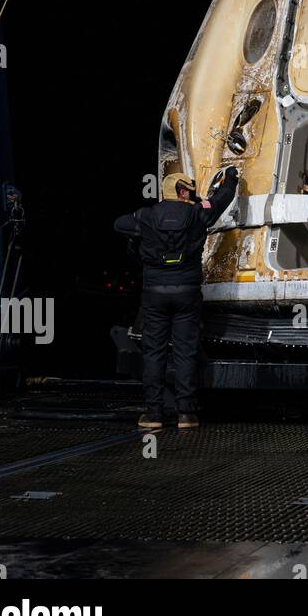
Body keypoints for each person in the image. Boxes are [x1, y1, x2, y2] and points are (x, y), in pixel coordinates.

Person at [115, 167, 239, 430]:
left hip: (155, 294)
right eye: (189, 191)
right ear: (183, 191)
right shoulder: (197, 213)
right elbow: (220, 201)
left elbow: (119, 224)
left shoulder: (146, 216)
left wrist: (142, 235)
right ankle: (186, 414)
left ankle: (153, 414)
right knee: (185, 352)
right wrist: (230, 179)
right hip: (186, 293)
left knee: (154, 353)